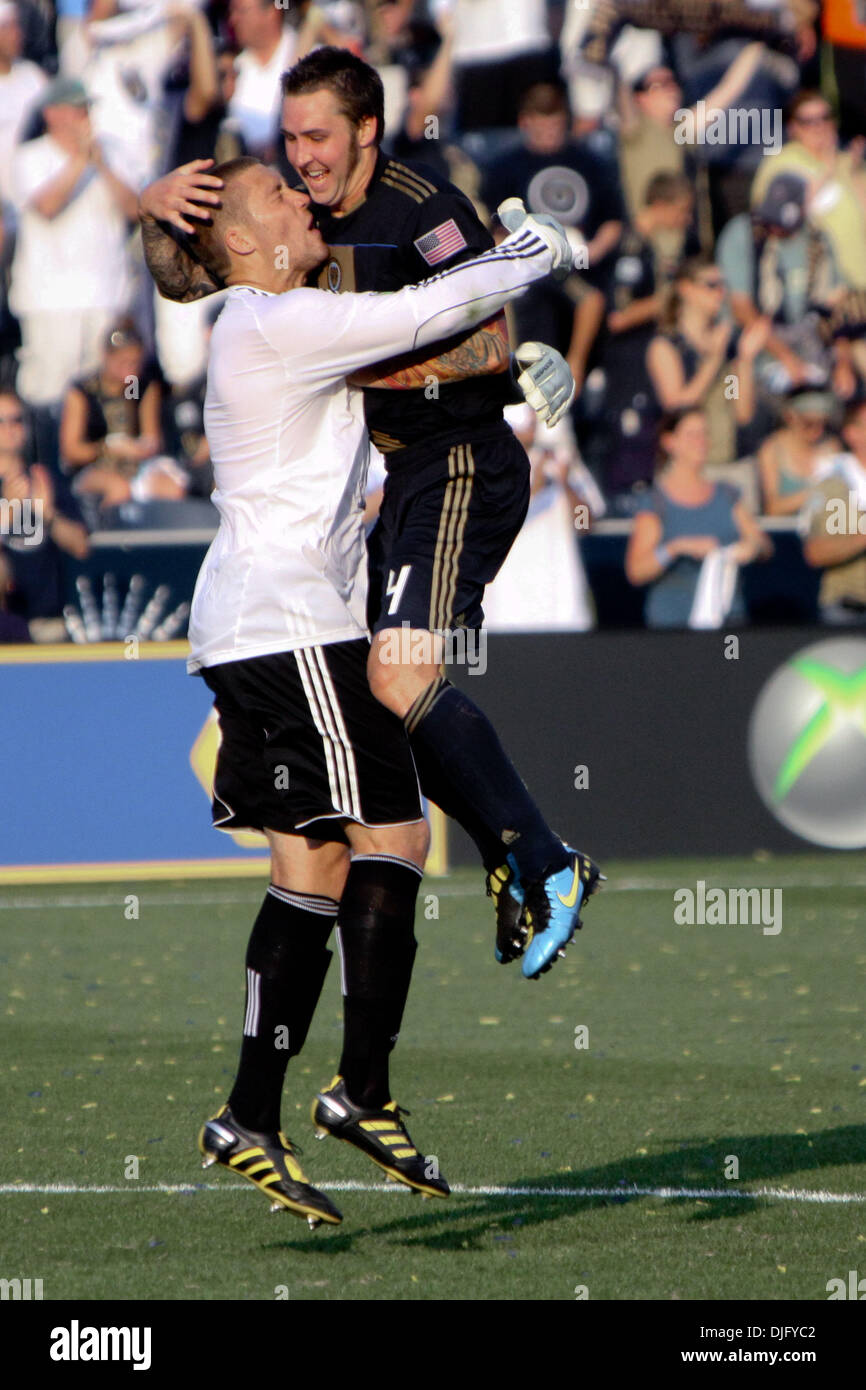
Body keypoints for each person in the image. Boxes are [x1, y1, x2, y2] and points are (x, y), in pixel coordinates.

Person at [142, 155, 579, 1224]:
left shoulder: (262, 323)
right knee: (396, 838)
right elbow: (433, 301)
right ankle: (360, 1091)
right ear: (244, 240)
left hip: (254, 623)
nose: (306, 198)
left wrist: (512, 373)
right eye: (282, 197)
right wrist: (533, 246)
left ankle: (253, 1113)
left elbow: (411, 367)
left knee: (312, 860)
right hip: (289, 622)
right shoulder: (275, 321)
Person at [140, 47, 602, 982]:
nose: (301, 157)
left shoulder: (423, 211)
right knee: (384, 706)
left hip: (455, 461)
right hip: (382, 489)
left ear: (366, 133)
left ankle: (545, 862)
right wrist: (148, 212)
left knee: (396, 672)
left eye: (317, 137)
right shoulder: (292, 224)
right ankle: (521, 863)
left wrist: (505, 362)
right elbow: (190, 278)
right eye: (290, 139)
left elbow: (476, 342)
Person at [8, 76, 140, 409]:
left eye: (86, 109)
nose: (85, 116)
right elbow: (47, 206)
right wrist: (81, 160)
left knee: (112, 394)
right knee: (50, 394)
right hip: (50, 301)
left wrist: (101, 163)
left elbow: (134, 209)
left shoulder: (111, 150)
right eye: (76, 109)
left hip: (107, 295)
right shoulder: (30, 156)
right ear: (52, 114)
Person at [625, 406, 770, 629]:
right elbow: (637, 571)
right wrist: (677, 548)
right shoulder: (655, 502)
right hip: (674, 626)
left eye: (705, 433)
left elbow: (762, 544)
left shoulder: (727, 494)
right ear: (670, 442)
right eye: (692, 434)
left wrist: (751, 548)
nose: (700, 441)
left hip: (728, 620)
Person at [0, 386, 90, 624]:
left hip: (46, 623)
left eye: (17, 420)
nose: (10, 429)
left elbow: (80, 546)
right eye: (1, 421)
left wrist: (48, 515)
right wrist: (7, 512)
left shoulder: (44, 480)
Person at [802, 399, 866, 624]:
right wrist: (861, 539)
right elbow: (815, 552)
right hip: (849, 610)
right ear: (851, 433)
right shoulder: (832, 485)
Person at [756, 389, 839, 516]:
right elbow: (772, 508)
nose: (817, 430)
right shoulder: (772, 450)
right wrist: (812, 494)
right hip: (788, 529)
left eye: (823, 424)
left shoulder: (830, 447)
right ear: (790, 418)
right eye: (808, 423)